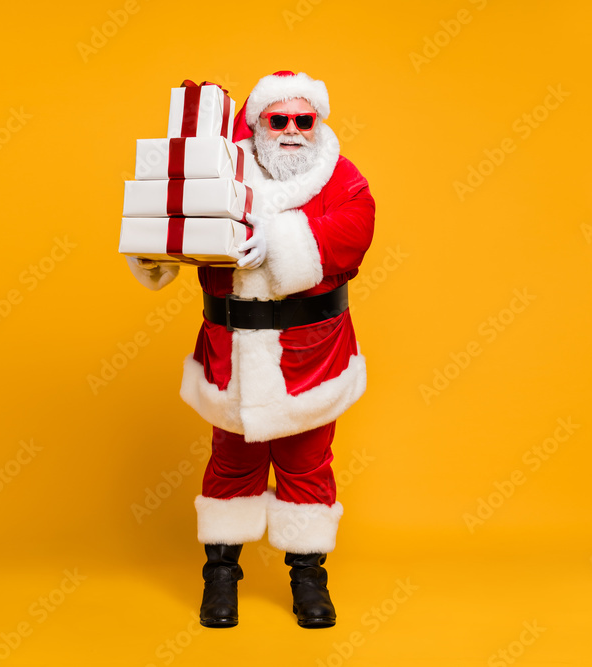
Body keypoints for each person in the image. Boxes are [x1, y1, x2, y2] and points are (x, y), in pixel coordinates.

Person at [125, 71, 375, 628]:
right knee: (230, 464)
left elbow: (356, 229)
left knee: (308, 465)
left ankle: (308, 577)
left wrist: (281, 238)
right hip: (230, 352)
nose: (291, 131)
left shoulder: (343, 176)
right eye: (277, 119)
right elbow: (179, 224)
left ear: (318, 124)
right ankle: (221, 576)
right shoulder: (218, 168)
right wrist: (154, 242)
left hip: (311, 357)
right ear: (256, 124)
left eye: (302, 120)